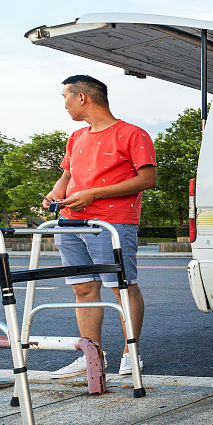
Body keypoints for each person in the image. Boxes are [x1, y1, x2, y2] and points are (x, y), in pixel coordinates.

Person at [44, 75, 157, 379]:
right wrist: (57, 193)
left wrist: (93, 194)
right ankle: (91, 355)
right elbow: (67, 178)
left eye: (66, 97)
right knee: (82, 288)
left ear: (82, 98)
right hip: (71, 221)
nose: (64, 104)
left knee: (121, 287)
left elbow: (147, 179)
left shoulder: (133, 134)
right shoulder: (76, 137)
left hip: (112, 223)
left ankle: (130, 352)